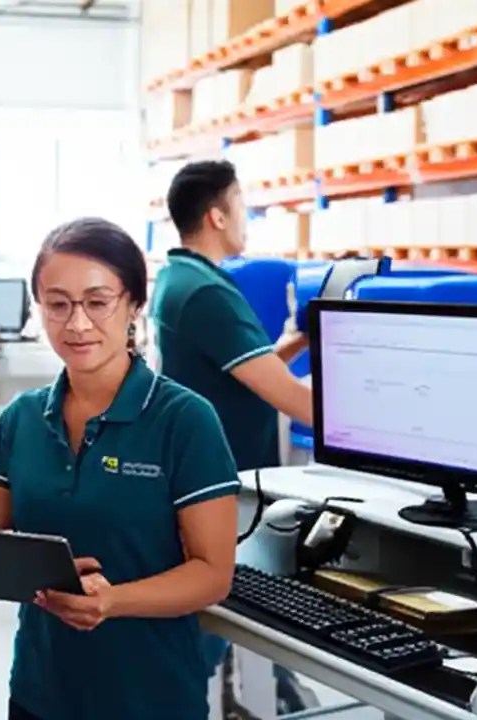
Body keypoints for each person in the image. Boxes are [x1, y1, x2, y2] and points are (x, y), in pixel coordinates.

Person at [0, 217, 240, 720]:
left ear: (135, 305)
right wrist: (36, 574)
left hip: (148, 698)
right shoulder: (22, 420)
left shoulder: (183, 420)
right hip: (40, 692)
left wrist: (111, 600)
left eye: (97, 302)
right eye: (58, 304)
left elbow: (212, 575)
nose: (77, 323)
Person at [149, 159, 317, 713]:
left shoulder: (181, 278)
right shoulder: (208, 295)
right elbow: (292, 400)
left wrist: (293, 342)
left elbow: (241, 367)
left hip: (207, 477)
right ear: (218, 214)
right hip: (227, 485)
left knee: (217, 622)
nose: (248, 217)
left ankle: (253, 692)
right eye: (242, 204)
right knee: (212, 625)